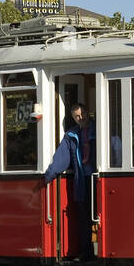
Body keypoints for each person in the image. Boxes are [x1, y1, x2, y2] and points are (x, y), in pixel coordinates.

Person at [43, 103, 95, 256]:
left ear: (87, 112)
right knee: (84, 219)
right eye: (77, 117)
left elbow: (115, 148)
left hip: (97, 179)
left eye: (82, 114)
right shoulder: (71, 135)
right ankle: (87, 254)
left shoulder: (99, 129)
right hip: (82, 181)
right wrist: (48, 176)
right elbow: (61, 159)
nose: (81, 118)